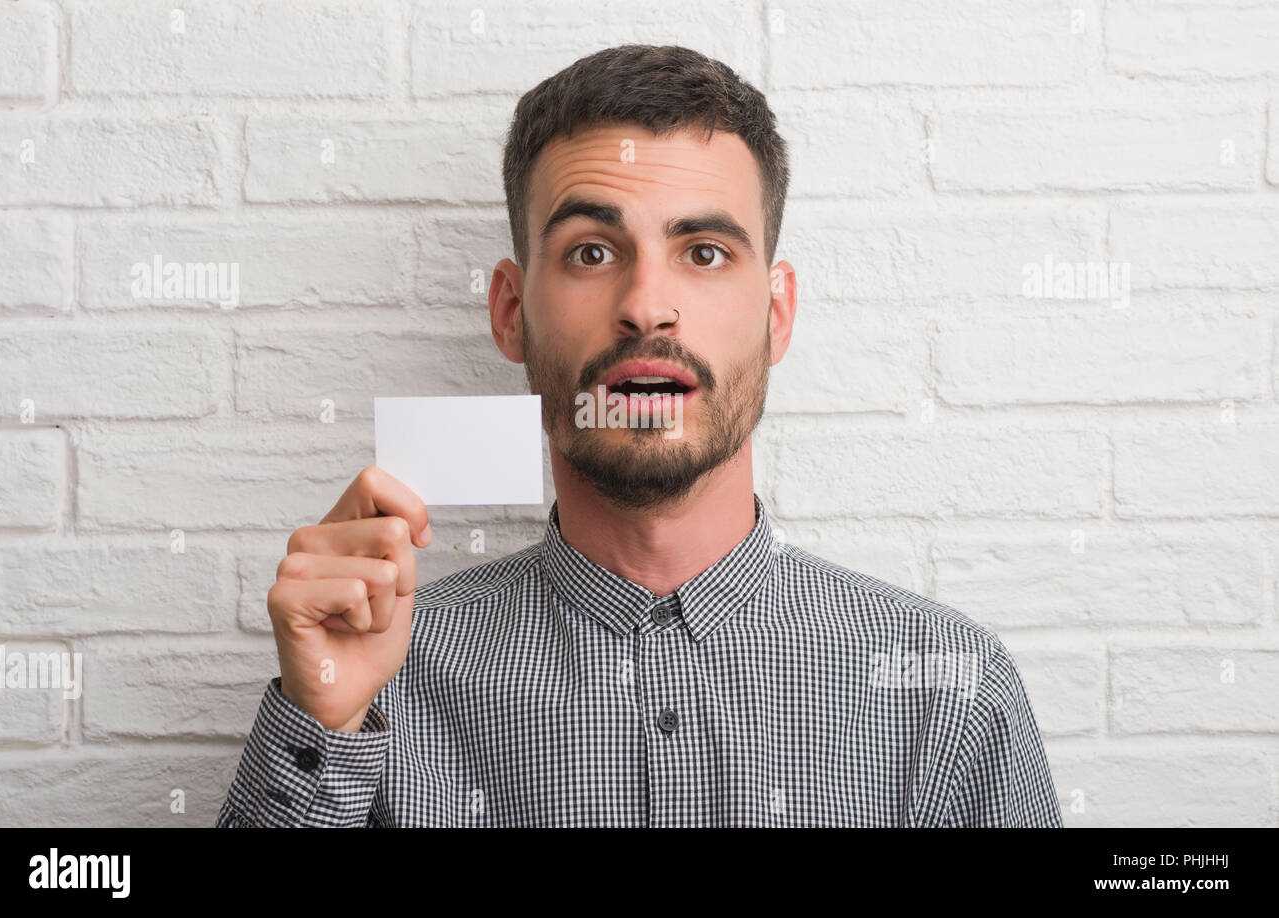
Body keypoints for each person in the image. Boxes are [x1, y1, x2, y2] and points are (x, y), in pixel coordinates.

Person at [215, 43, 1063, 827]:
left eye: (702, 252)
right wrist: (321, 720)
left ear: (775, 316)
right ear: (511, 314)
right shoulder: (378, 683)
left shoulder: (950, 690)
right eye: (590, 252)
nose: (646, 305)